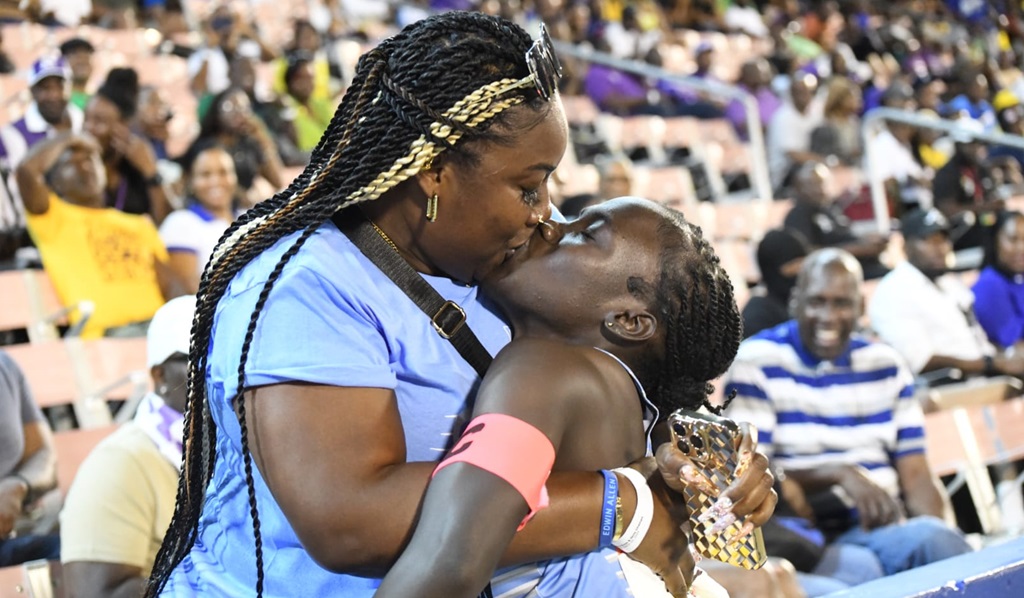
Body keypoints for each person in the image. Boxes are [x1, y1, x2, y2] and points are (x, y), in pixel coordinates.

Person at [145, 13, 774, 598]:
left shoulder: (508, 261)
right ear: (435, 171)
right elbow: (351, 524)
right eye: (528, 186)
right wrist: (625, 502)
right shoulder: (304, 288)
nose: (546, 213)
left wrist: (696, 462)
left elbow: (622, 367)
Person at [376, 197, 759, 597]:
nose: (550, 226)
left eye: (584, 234)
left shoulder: (541, 371)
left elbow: (452, 558)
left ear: (627, 321)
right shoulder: (622, 402)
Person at [725, 248, 973, 580]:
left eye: (841, 303)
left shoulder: (886, 365)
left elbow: (916, 475)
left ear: (860, 307)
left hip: (885, 527)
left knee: (937, 541)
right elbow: (751, 475)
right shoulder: (757, 363)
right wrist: (838, 473)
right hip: (809, 534)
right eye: (817, 302)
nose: (828, 316)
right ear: (795, 301)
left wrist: (941, 539)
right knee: (864, 569)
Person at [60, 296, 195, 596]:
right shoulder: (121, 462)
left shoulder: (240, 448)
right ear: (159, 375)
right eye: (196, 358)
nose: (213, 371)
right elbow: (95, 592)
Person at [16, 133, 183, 338]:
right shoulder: (52, 218)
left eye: (90, 159)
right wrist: (71, 137)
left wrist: (182, 324)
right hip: (107, 335)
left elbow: (171, 283)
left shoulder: (138, 223)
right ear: (55, 183)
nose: (85, 167)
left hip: (157, 329)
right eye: (71, 163)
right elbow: (26, 171)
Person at [869, 208, 1024, 378]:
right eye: (930, 241)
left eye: (943, 240)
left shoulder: (949, 283)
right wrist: (992, 364)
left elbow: (979, 340)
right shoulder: (893, 290)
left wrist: (1005, 359)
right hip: (947, 385)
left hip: (986, 374)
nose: (940, 248)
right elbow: (921, 362)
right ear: (905, 246)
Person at [0, 55, 83, 248]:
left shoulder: (82, 120)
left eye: (59, 86)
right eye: (45, 88)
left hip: (82, 220)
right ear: (32, 92)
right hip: (37, 227)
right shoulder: (12, 134)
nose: (54, 95)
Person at [84, 68, 173, 223]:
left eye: (99, 121)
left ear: (123, 128)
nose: (88, 128)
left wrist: (150, 172)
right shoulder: (76, 166)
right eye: (86, 119)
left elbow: (166, 222)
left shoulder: (135, 171)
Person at [176, 87, 285, 205]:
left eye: (244, 108)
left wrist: (263, 140)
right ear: (218, 112)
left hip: (244, 210)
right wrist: (249, 202)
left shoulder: (248, 143)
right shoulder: (206, 147)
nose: (238, 113)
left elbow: (277, 182)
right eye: (230, 107)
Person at [0, 350, 59, 567]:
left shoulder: (4, 366)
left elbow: (44, 455)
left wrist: (18, 485)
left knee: (83, 557)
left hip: (10, 542)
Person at [783, 161, 889, 280]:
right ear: (799, 188)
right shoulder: (798, 215)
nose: (820, 190)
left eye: (823, 184)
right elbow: (804, 257)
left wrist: (868, 241)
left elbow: (846, 234)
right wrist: (856, 250)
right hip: (836, 274)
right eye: (812, 185)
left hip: (862, 264)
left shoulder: (830, 209)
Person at [159, 147, 240, 293]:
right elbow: (190, 291)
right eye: (205, 174)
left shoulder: (250, 217)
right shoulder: (180, 222)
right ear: (191, 181)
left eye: (223, 172)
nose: (215, 181)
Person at [931, 120, 1001, 251]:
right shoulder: (947, 173)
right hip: (959, 233)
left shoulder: (982, 168)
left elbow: (989, 195)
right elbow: (947, 210)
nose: (976, 149)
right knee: (968, 219)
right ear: (958, 145)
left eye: (978, 144)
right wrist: (983, 207)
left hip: (985, 224)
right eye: (971, 144)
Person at [742, 228, 811, 339]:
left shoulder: (803, 305)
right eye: (793, 268)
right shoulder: (759, 313)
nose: (800, 274)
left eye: (803, 267)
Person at [972, 210, 1024, 350]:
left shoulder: (1018, 277)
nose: (1021, 248)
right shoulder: (989, 284)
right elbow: (1012, 344)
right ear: (995, 241)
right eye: (1013, 239)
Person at [59, 37, 95, 111]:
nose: (82, 60)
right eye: (77, 57)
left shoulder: (97, 99)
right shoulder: (59, 100)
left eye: (86, 57)